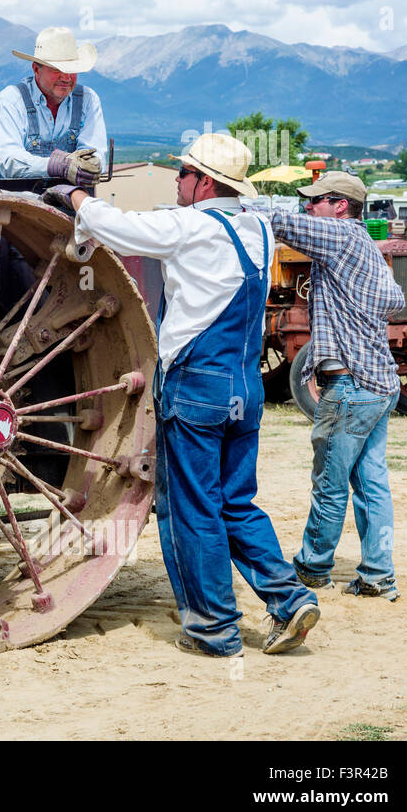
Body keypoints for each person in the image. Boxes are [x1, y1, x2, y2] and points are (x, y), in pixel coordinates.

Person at [45, 133, 320, 656]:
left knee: (192, 509)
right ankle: (287, 598)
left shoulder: (191, 225)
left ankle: (214, 629)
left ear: (205, 182)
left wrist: (72, 196)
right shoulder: (258, 228)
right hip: (245, 388)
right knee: (236, 503)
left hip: (197, 387)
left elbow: (119, 227)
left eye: (185, 173)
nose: (177, 180)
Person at [268, 172, 405, 601]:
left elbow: (280, 222)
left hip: (350, 386)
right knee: (371, 484)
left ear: (340, 205)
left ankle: (312, 567)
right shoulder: (364, 245)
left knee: (329, 482)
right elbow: (396, 299)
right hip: (380, 382)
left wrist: (233, 207)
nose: (307, 206)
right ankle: (378, 575)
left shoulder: (341, 235)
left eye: (316, 200)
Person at [0, 27, 108, 184]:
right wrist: (62, 165)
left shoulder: (87, 100)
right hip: (12, 196)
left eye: (72, 69)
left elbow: (96, 155)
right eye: (56, 69)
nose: (66, 77)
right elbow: (10, 162)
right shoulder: (10, 101)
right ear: (36, 69)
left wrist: (91, 165)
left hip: (69, 195)